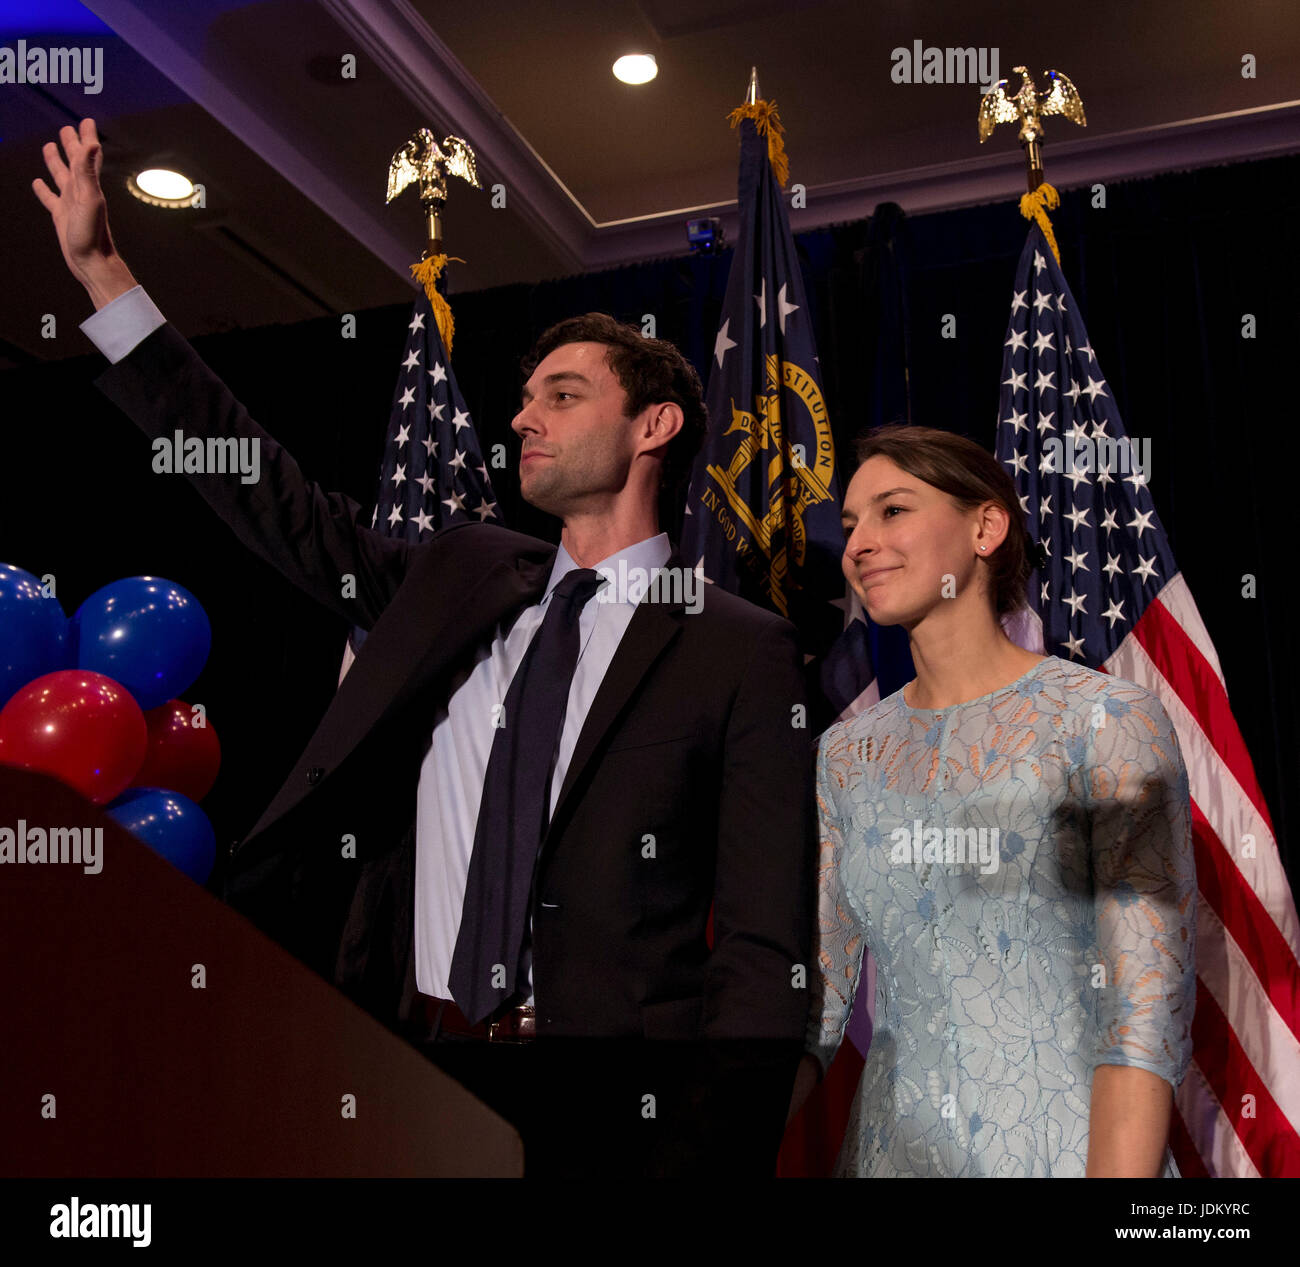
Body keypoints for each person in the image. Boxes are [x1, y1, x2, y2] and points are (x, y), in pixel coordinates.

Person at [34, 119, 815, 1178]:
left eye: (563, 396)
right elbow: (274, 501)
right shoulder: (456, 578)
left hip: (614, 1115)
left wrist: (711, 1154)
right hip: (410, 1073)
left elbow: (766, 952)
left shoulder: (738, 649)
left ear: (655, 427)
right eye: (525, 396)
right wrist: (103, 274)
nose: (524, 418)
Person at [788, 424, 1196, 1177]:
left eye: (893, 510)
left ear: (985, 525)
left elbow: (1143, 1010)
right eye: (850, 526)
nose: (858, 545)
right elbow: (819, 1000)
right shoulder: (844, 754)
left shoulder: (1104, 722)